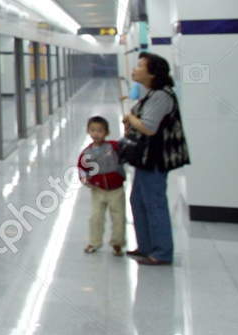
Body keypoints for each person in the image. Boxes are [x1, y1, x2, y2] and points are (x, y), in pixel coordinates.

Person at [122, 52, 189, 266]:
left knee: (153, 203)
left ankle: (161, 252)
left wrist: (131, 117)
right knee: (138, 200)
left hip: (156, 158)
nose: (135, 68)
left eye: (140, 65)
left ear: (152, 73)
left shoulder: (161, 95)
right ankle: (146, 247)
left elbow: (149, 128)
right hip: (146, 158)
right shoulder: (152, 93)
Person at [76, 115, 125, 256]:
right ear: (88, 131)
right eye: (92, 130)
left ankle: (117, 243)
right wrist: (85, 180)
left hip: (116, 190)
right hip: (97, 190)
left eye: (100, 130)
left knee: (118, 217)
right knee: (96, 217)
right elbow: (81, 168)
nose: (96, 133)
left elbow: (126, 149)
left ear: (106, 133)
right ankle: (94, 242)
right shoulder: (86, 153)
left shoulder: (114, 147)